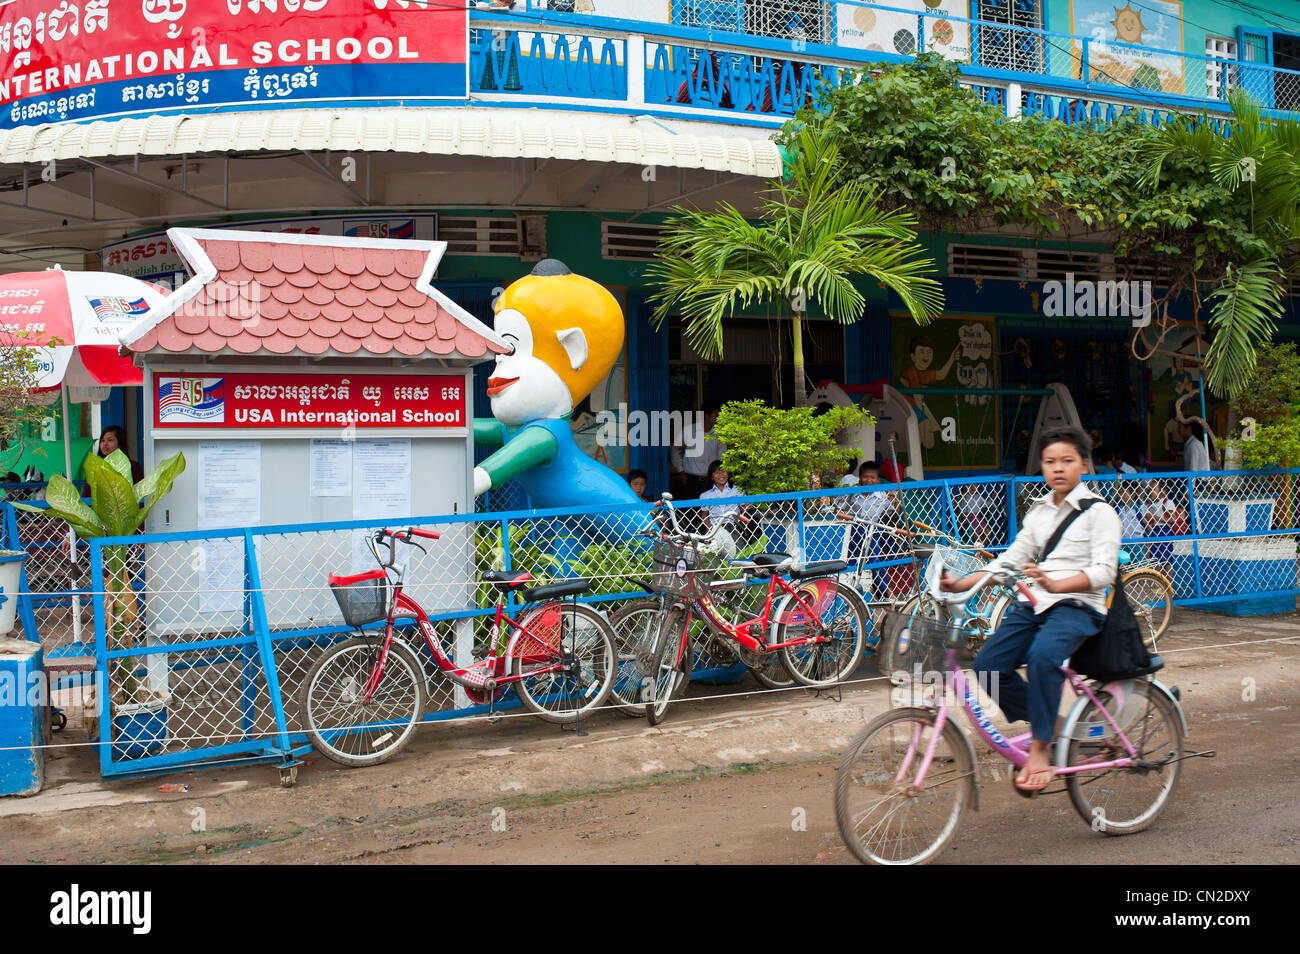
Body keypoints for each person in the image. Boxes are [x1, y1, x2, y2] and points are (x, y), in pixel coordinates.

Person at [940, 426, 1121, 792]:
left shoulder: (1100, 513)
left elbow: (1105, 572)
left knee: (1042, 658)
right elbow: (1011, 560)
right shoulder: (1039, 511)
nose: (1058, 469)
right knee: (989, 665)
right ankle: (1052, 726)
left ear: (1084, 465)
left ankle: (1041, 748)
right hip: (1034, 603)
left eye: (1067, 461)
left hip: (1077, 606)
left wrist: (1058, 584)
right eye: (1050, 461)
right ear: (1041, 466)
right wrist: (961, 583)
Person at [670, 402, 724, 500]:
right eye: (716, 415)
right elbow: (675, 448)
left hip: (711, 480)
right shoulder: (690, 430)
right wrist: (680, 470)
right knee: (691, 512)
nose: (718, 418)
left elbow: (722, 457)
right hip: (691, 479)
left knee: (710, 510)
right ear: (707, 415)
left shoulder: (719, 434)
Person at [699, 461, 750, 558]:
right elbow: (704, 514)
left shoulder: (737, 490)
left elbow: (745, 509)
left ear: (728, 474)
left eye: (724, 471)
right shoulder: (706, 495)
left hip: (734, 525)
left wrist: (745, 509)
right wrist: (709, 530)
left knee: (729, 529)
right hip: (715, 528)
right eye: (717, 472)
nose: (721, 474)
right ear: (711, 476)